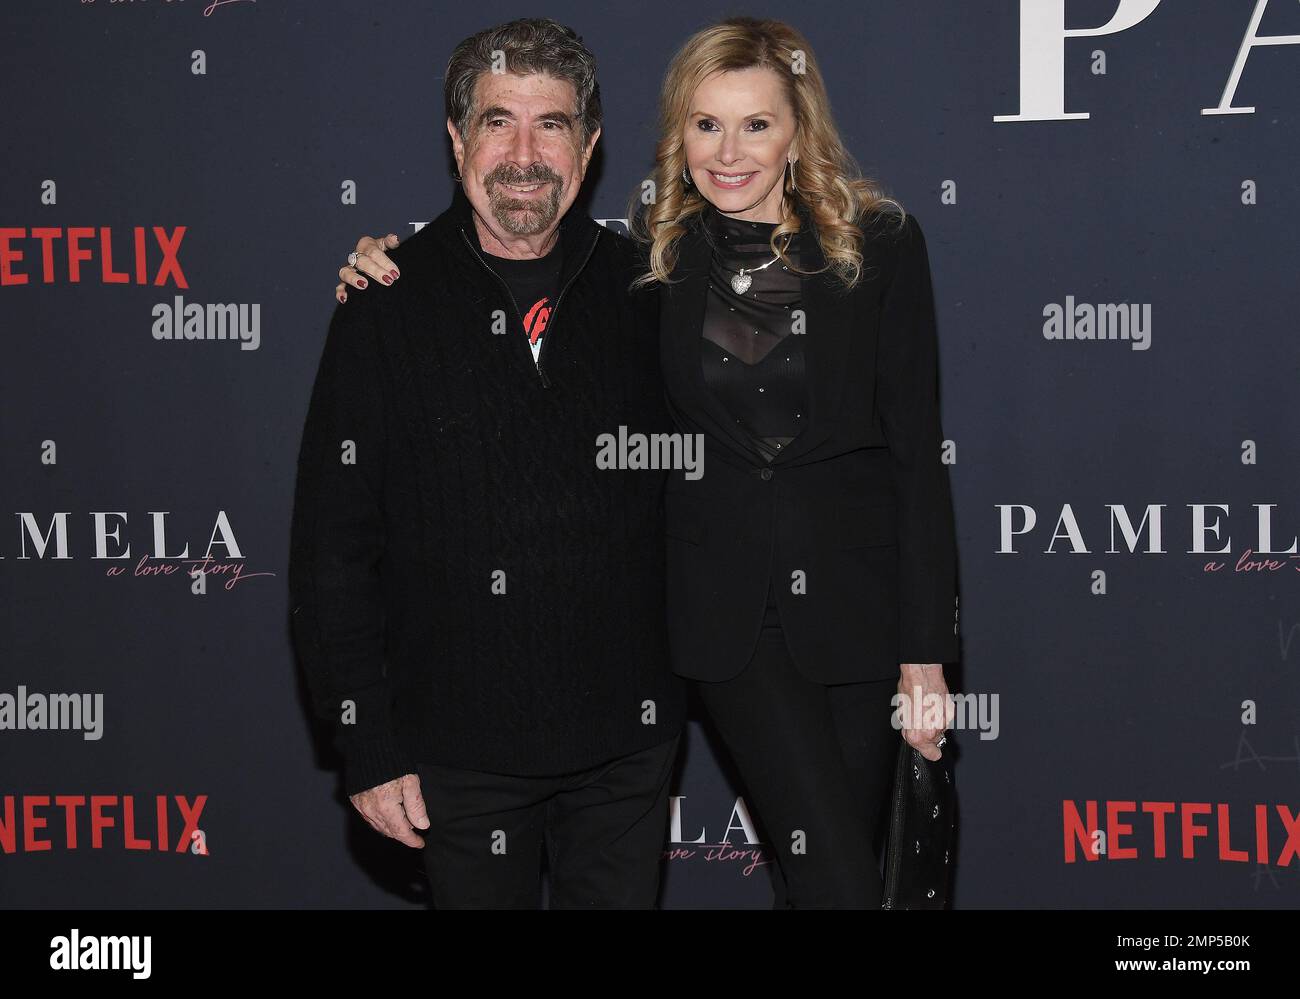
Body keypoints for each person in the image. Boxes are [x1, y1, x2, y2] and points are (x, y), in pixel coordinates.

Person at [336, 16, 960, 908]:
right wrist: (382, 261)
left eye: (756, 123)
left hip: (862, 621)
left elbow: (917, 459)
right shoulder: (656, 260)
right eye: (706, 124)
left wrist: (926, 656)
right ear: (678, 134)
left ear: (798, 131)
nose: (729, 150)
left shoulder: (884, 246)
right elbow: (501, 271)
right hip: (730, 630)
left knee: (832, 867)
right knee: (840, 883)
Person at [289, 17, 686, 909]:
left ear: (587, 148)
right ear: (456, 139)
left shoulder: (652, 294)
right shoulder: (385, 304)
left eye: (550, 124)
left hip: (627, 744)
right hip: (451, 756)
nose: (523, 153)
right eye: (497, 120)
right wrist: (367, 739)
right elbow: (332, 548)